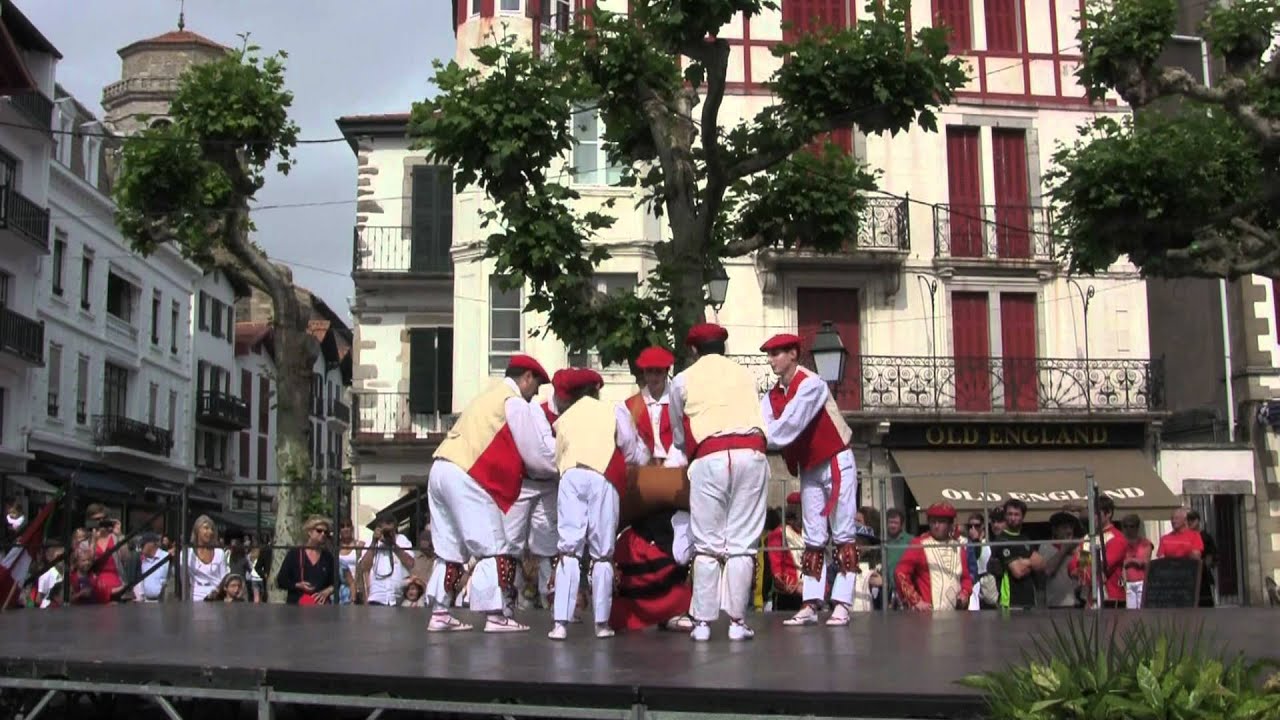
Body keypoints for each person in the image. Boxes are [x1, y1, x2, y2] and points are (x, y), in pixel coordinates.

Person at [425, 354, 557, 633]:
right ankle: (495, 615)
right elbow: (534, 456)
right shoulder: (514, 402)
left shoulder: (487, 396)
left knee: (449, 548)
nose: (535, 394)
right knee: (495, 545)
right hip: (467, 474)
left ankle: (439, 612)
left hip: (441, 467)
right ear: (527, 378)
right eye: (536, 386)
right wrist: (559, 468)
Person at [668, 322, 769, 642]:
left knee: (707, 544)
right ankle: (737, 622)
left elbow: (679, 431)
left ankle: (702, 623)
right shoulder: (746, 375)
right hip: (751, 454)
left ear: (694, 350)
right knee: (742, 544)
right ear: (722, 347)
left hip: (710, 456)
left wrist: (689, 453)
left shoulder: (683, 379)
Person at [757, 333, 859, 628]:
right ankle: (811, 603)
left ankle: (842, 603)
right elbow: (766, 422)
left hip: (836, 459)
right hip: (811, 465)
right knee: (813, 535)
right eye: (770, 354)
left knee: (843, 532)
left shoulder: (811, 383)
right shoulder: (772, 394)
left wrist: (761, 437)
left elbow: (789, 424)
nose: (771, 359)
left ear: (793, 354)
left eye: (776, 353)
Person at [548, 368, 649, 640]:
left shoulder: (564, 418)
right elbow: (631, 448)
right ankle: (601, 622)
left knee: (568, 549)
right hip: (603, 474)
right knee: (602, 552)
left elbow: (555, 456)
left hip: (570, 475)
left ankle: (561, 622)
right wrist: (645, 459)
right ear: (596, 390)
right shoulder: (613, 410)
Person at [504, 369, 569, 612]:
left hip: (550, 484)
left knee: (549, 543)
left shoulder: (572, 413)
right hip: (524, 482)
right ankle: (506, 599)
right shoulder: (534, 410)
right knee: (510, 541)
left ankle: (551, 597)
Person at [609, 509, 695, 633]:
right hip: (640, 554)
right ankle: (671, 613)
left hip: (629, 548)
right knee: (686, 590)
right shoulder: (685, 519)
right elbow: (681, 557)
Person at [895, 502, 972, 612]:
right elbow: (900, 573)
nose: (936, 526)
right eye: (933, 521)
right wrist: (916, 601)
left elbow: (966, 578)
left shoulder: (959, 547)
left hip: (956, 615)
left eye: (941, 522)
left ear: (950, 524)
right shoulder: (919, 544)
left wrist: (965, 593)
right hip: (928, 617)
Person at [623, 347, 684, 467]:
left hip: (676, 467)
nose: (653, 377)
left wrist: (670, 464)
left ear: (666, 372)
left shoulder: (678, 401)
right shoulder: (631, 405)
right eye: (649, 371)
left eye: (658, 372)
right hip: (642, 467)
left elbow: (684, 439)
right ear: (644, 373)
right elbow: (629, 442)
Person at [358, 512, 415, 606]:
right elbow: (364, 567)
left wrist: (394, 545)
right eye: (386, 531)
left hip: (399, 598)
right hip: (377, 598)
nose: (388, 534)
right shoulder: (371, 542)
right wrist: (374, 543)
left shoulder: (402, 540)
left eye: (391, 531)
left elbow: (410, 563)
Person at [764, 493, 805, 612]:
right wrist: (796, 587)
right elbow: (777, 569)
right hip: (789, 597)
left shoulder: (811, 534)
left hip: (811, 596)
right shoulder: (779, 534)